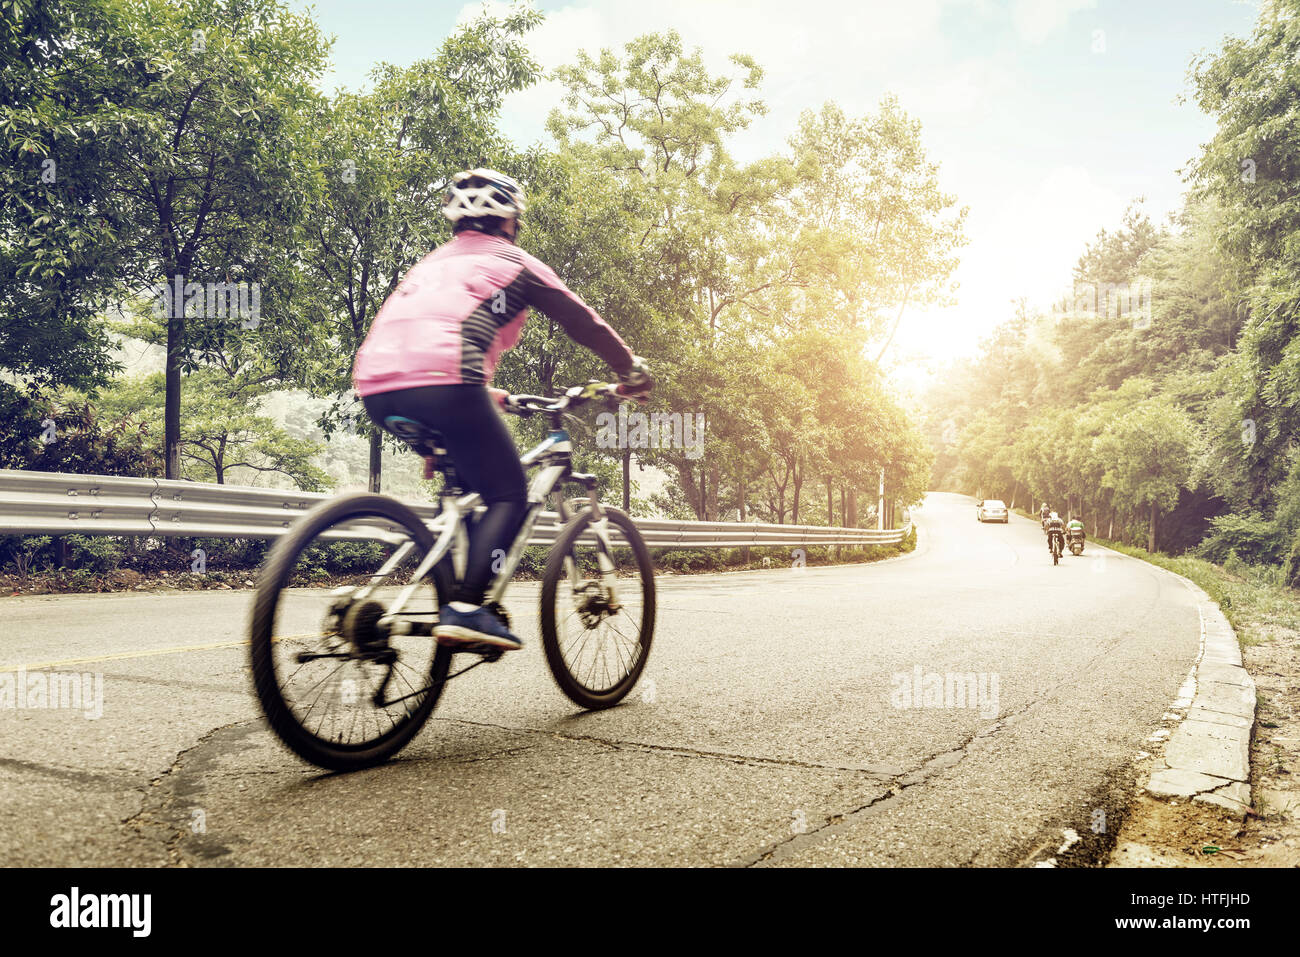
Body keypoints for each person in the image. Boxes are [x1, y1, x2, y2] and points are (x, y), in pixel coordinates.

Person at [352, 168, 653, 651]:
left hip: (376, 386)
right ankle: (468, 606)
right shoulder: (515, 262)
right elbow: (583, 322)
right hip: (449, 382)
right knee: (510, 493)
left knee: (471, 493)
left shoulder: (428, 266)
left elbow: (424, 339)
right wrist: (630, 370)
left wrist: (484, 399)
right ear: (512, 219)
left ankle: (465, 596)